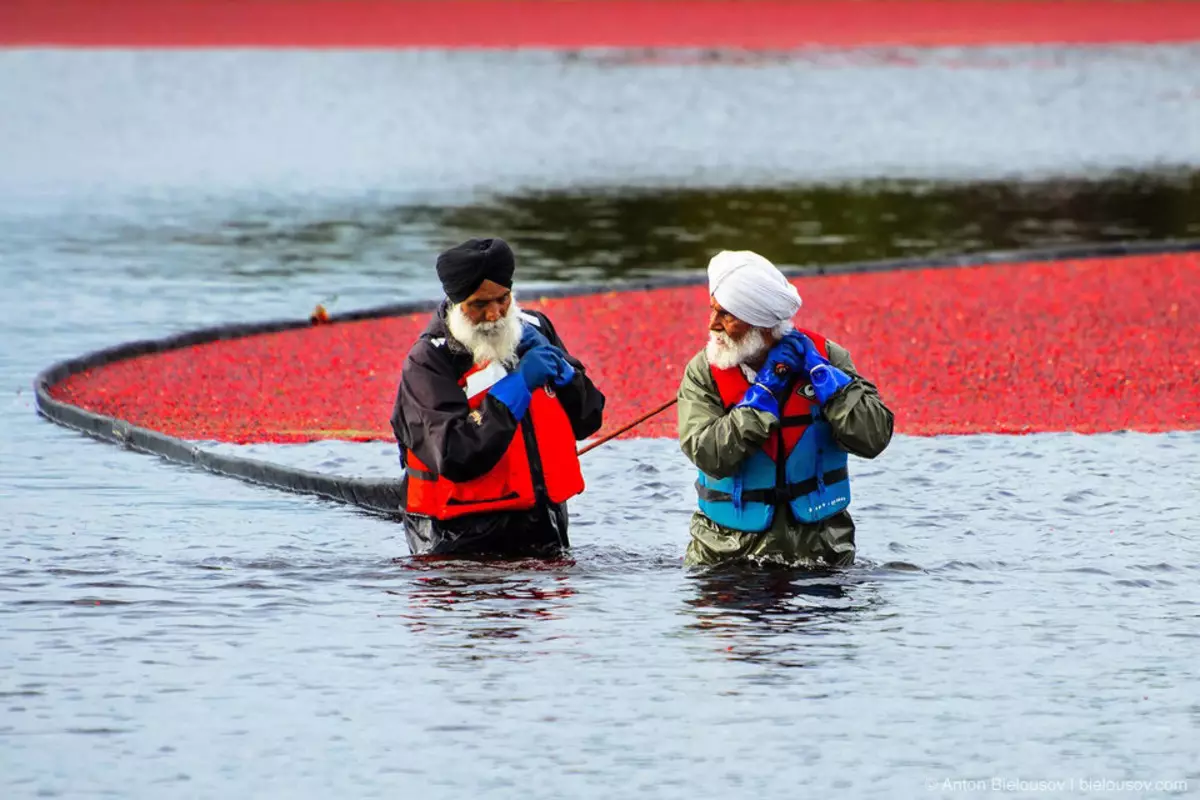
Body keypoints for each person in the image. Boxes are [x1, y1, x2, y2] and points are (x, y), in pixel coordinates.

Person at [676, 250, 894, 567]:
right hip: (724, 556)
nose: (713, 325)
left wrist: (829, 383)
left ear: (762, 325)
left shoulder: (829, 357)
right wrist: (764, 394)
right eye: (713, 311)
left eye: (727, 315)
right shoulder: (703, 372)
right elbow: (709, 454)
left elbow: (874, 439)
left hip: (822, 553)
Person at [390, 237, 606, 558]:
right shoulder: (427, 361)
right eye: (480, 305)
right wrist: (517, 387)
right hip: (454, 538)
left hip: (541, 523)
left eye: (502, 300)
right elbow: (455, 455)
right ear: (456, 302)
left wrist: (567, 376)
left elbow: (589, 419)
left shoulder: (537, 329)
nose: (494, 314)